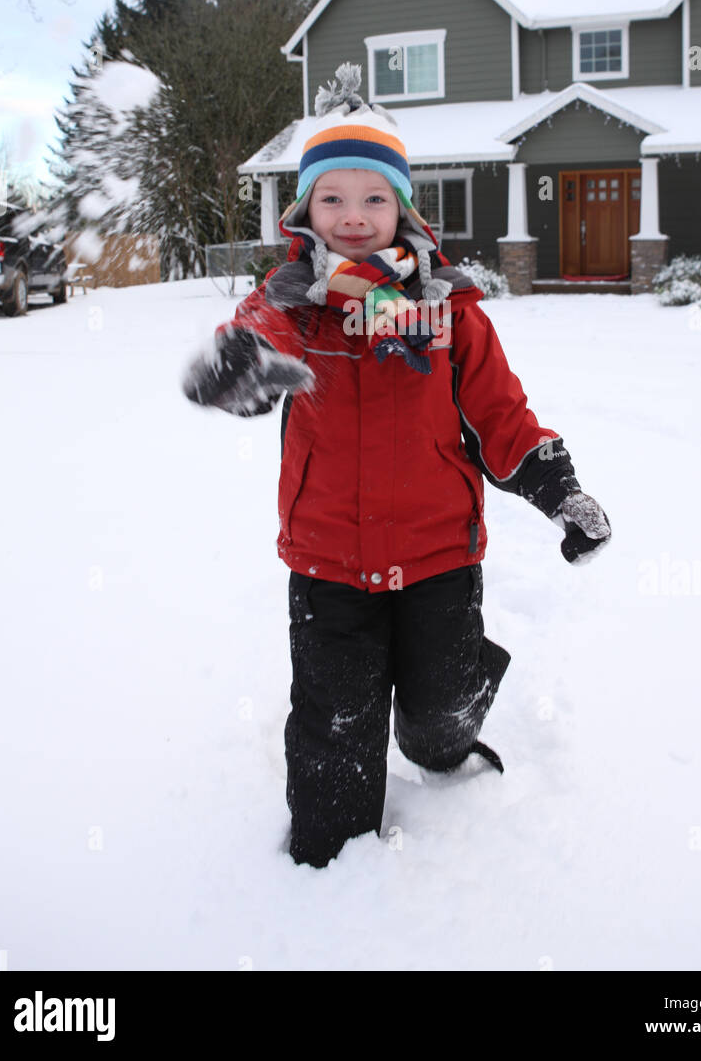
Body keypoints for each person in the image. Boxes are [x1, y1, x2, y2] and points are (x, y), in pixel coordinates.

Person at [181, 62, 612, 869]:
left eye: (373, 198)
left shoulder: (448, 312)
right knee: (334, 718)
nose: (353, 217)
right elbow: (256, 337)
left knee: (443, 704)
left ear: (403, 208)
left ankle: (443, 741)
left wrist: (561, 489)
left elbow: (500, 417)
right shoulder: (292, 304)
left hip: (439, 555)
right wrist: (237, 366)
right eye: (332, 200)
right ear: (306, 211)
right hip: (329, 561)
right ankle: (327, 855)